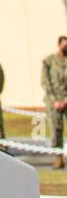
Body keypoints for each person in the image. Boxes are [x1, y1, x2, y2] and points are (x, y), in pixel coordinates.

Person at [41, 36, 67, 171]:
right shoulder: (49, 61)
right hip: (53, 102)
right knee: (56, 130)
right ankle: (59, 158)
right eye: (64, 45)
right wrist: (55, 100)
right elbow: (45, 82)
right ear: (58, 45)